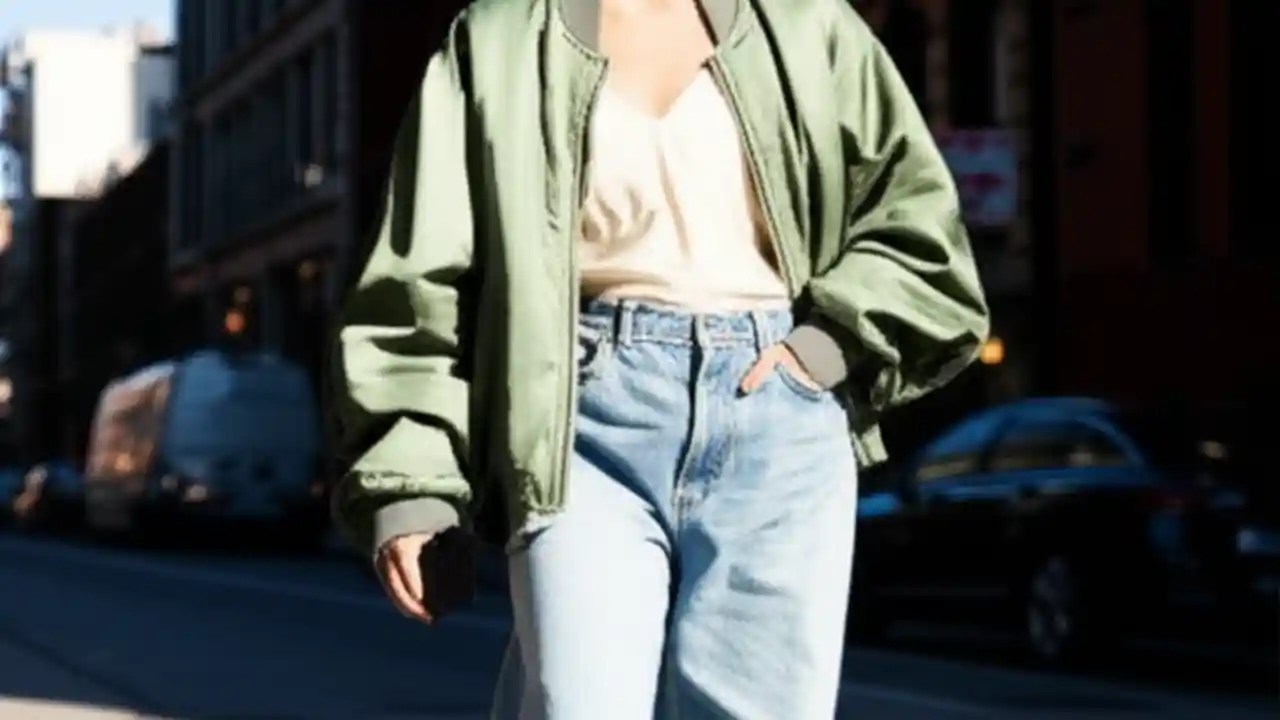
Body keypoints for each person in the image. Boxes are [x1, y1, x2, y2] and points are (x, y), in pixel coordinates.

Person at [329, 0, 988, 717]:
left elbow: (917, 222)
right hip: (580, 419)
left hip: (778, 415)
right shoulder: (499, 38)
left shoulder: (809, 23)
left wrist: (821, 352)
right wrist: (413, 486)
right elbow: (419, 280)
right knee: (576, 704)